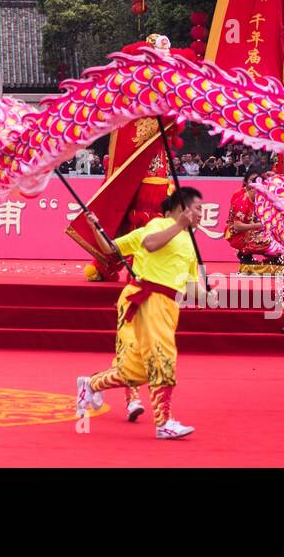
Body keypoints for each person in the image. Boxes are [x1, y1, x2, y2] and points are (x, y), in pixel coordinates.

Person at [75, 187, 208, 439]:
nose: (202, 214)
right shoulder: (159, 224)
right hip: (149, 299)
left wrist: (210, 296)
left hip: (169, 306)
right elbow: (147, 244)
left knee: (134, 371)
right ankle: (164, 422)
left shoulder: (189, 242)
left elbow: (190, 285)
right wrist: (95, 226)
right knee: (163, 358)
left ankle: (89, 384)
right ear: (183, 208)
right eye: (199, 208)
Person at [224, 171, 267, 263]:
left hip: (247, 230)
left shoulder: (254, 199)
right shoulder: (242, 200)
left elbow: (249, 218)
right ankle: (244, 253)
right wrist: (258, 225)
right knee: (266, 243)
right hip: (237, 234)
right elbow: (237, 226)